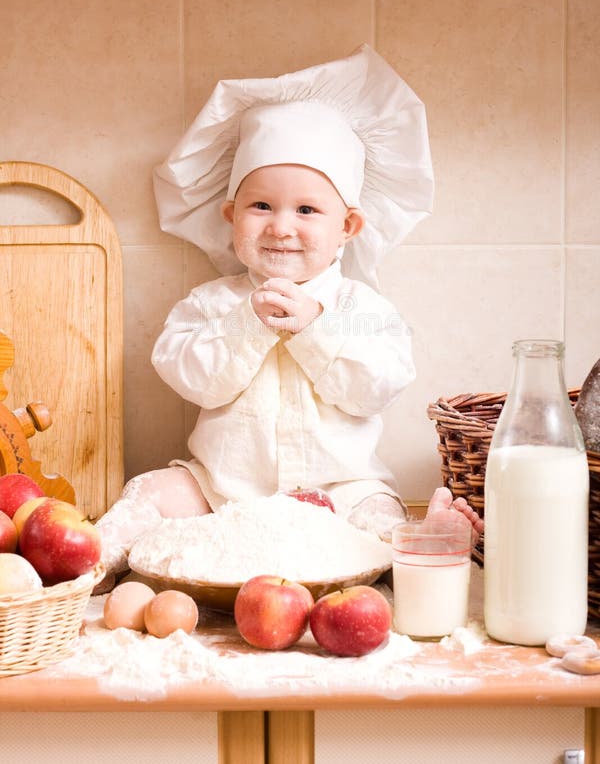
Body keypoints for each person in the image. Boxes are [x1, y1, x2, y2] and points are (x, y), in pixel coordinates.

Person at [96, 45, 483, 581]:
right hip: (224, 493)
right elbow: (191, 378)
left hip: (341, 491)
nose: (281, 227)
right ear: (231, 214)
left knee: (378, 514)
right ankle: (87, 563)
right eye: (261, 206)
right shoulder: (211, 304)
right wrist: (246, 327)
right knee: (150, 491)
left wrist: (315, 329)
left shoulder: (362, 308)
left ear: (347, 227)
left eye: (306, 209)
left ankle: (423, 542)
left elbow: (376, 388)